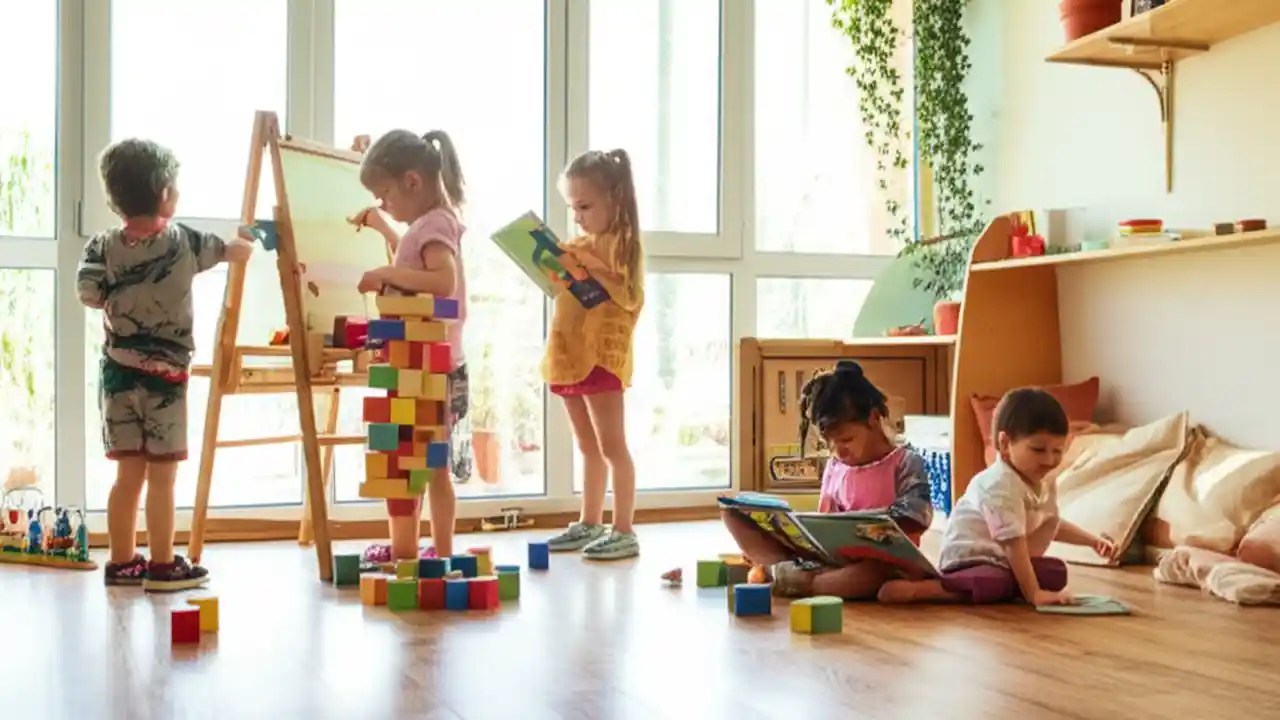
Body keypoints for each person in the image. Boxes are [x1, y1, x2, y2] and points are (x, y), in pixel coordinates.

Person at [77, 138, 253, 591]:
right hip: (166, 382)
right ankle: (161, 564)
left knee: (127, 475)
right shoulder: (184, 242)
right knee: (162, 477)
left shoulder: (101, 245)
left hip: (117, 377)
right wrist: (244, 243)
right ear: (165, 196)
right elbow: (230, 251)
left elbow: (89, 294)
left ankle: (121, 562)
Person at [878, 387, 1117, 606]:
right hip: (972, 560)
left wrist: (1093, 542)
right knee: (991, 581)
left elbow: (1049, 522)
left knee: (1055, 572)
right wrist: (1034, 594)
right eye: (1038, 449)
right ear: (1004, 443)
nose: (1049, 460)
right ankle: (930, 589)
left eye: (1058, 451)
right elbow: (1013, 543)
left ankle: (1009, 586)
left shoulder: (1042, 480)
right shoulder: (999, 485)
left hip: (1002, 560)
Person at [349, 129, 469, 564]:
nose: (385, 205)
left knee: (419, 463)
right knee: (420, 462)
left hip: (430, 367)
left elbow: (442, 281)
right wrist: (383, 229)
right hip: (426, 363)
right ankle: (435, 549)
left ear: (412, 182)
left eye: (385, 196)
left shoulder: (435, 223)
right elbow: (414, 261)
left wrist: (385, 274)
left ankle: (430, 552)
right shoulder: (430, 223)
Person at [723, 360, 934, 598]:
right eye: (830, 443)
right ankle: (786, 573)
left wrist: (870, 526)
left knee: (873, 576)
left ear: (874, 418)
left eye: (847, 440)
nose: (838, 451)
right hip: (835, 562)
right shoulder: (835, 466)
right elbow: (824, 524)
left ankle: (786, 578)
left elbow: (917, 516)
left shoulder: (905, 461)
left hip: (883, 566)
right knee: (734, 515)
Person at [541, 149, 645, 560]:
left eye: (585, 206)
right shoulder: (580, 244)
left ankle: (624, 528)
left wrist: (587, 263)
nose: (578, 216)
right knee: (586, 445)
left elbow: (628, 293)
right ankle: (590, 520)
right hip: (570, 352)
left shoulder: (623, 244)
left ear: (614, 199)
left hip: (603, 355)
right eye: (573, 208)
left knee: (612, 446)